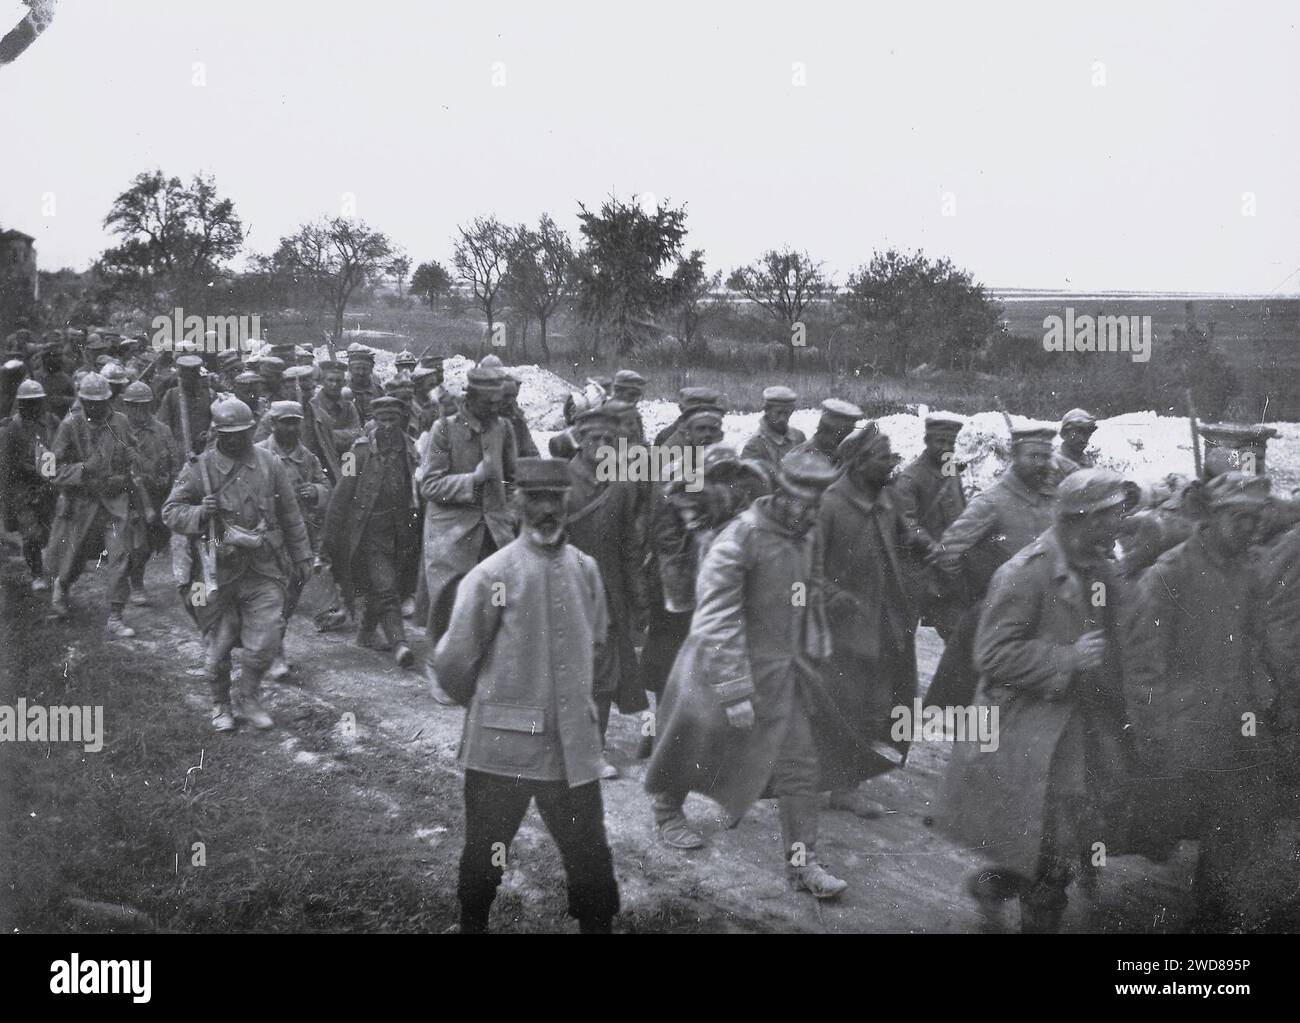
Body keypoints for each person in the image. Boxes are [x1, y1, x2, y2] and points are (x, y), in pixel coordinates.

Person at [645, 451, 849, 899]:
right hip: (719, 666)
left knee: (800, 766)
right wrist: (735, 691)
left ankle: (803, 864)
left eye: (818, 506)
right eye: (804, 505)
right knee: (695, 742)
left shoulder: (806, 534)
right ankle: (667, 810)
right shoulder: (740, 538)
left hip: (781, 671)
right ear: (781, 495)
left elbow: (808, 589)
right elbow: (716, 619)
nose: (813, 515)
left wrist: (815, 640)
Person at [940, 469, 1137, 933]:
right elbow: (990, 654)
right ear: (1081, 519)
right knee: (1053, 844)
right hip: (1030, 729)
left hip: (1078, 725)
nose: (1120, 524)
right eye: (1111, 515)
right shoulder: (1025, 573)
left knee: (1057, 835)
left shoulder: (1098, 566)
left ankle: (995, 884)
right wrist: (1066, 658)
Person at [433, 457, 619, 934]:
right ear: (516, 503)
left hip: (571, 747)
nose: (545, 510)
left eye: (554, 500)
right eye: (534, 499)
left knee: (589, 853)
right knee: (486, 848)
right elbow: (455, 661)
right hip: (503, 750)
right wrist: (494, 707)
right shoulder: (492, 575)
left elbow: (596, 641)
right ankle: (472, 922)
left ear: (567, 503)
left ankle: (596, 926)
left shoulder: (586, 569)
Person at [1126, 472, 1287, 931]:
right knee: (1204, 821)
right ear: (1214, 517)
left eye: (1257, 520)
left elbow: (1258, 644)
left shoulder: (1248, 571)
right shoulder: (1168, 575)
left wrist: (1262, 697)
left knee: (1240, 821)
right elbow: (1143, 668)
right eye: (1241, 519)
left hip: (1235, 723)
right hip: (1185, 728)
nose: (1252, 529)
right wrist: (1154, 733)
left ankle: (1212, 916)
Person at [162, 398, 312, 732]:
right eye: (228, 434)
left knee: (266, 639)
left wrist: (302, 555)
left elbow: (290, 514)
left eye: (242, 433)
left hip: (262, 568)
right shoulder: (198, 467)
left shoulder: (269, 464)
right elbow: (171, 512)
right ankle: (220, 705)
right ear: (216, 432)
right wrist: (201, 512)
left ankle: (249, 696)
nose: (236, 440)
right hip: (215, 572)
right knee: (218, 649)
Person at [815, 426, 924, 818]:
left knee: (869, 707)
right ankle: (820, 782)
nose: (892, 464)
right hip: (838, 631)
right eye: (885, 458)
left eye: (893, 457)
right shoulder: (828, 504)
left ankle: (845, 785)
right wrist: (833, 597)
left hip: (882, 625)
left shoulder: (886, 500)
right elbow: (806, 569)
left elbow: (901, 546)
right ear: (860, 463)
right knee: (836, 707)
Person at [926, 425, 1058, 707]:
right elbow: (949, 552)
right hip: (1000, 618)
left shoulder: (1052, 500)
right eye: (1034, 457)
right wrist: (976, 595)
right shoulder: (992, 501)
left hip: (1045, 618)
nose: (1042, 465)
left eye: (1046, 457)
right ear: (1014, 456)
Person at [418, 360, 517, 696]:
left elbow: (513, 478)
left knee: (496, 601)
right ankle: (438, 668)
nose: (495, 408)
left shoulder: (504, 427)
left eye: (499, 402)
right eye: (489, 402)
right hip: (452, 534)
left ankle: (482, 668)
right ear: (471, 397)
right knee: (448, 603)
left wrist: (512, 509)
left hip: (495, 529)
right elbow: (429, 485)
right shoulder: (444, 429)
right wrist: (471, 481)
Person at [563, 405, 650, 775]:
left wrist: (638, 597)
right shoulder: (560, 482)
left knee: (602, 676)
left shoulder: (624, 484)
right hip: (567, 592)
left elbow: (630, 548)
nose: (601, 445)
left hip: (609, 595)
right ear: (579, 440)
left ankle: (592, 751)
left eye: (608, 440)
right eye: (594, 438)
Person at [321, 396, 421, 669]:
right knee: (386, 585)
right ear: (373, 421)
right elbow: (340, 497)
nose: (388, 426)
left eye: (393, 420)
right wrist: (328, 543)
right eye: (382, 420)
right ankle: (400, 644)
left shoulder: (411, 450)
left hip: (402, 530)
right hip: (369, 530)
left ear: (402, 419)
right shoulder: (359, 453)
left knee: (395, 586)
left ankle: (366, 631)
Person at [44, 372, 138, 634]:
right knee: (72, 556)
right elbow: (50, 468)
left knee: (120, 555)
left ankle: (116, 616)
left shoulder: (121, 422)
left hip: (114, 502)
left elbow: (133, 457)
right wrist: (83, 469)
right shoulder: (69, 425)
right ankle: (61, 589)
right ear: (82, 400)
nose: (95, 407)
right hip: (81, 502)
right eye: (89, 402)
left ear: (109, 399)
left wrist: (124, 475)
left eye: (100, 402)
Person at [256, 400, 332, 679]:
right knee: (272, 594)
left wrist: (315, 491)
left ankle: (273, 642)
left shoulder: (307, 457)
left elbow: (325, 485)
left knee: (291, 593)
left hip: (299, 536)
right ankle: (274, 652)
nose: (291, 427)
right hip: (267, 536)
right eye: (285, 422)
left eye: (295, 421)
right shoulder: (259, 453)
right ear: (273, 424)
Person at [893, 414, 967, 638]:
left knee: (957, 638)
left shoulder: (950, 471)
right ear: (927, 440)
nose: (946, 448)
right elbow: (908, 523)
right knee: (903, 640)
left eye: (950, 443)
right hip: (920, 569)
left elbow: (962, 512)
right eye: (940, 441)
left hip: (949, 570)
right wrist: (935, 548)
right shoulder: (911, 477)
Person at [120, 381, 175, 608]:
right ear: (127, 407)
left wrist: (170, 479)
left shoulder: (162, 430)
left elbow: (174, 460)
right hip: (131, 495)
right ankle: (137, 584)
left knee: (157, 540)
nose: (139, 412)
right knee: (139, 544)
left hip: (159, 493)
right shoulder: (119, 431)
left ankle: (130, 572)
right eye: (134, 407)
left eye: (144, 406)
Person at [0, 378, 58, 590]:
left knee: (50, 531)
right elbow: (6, 468)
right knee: (31, 534)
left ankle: (49, 569)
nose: (33, 406)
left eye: (37, 401)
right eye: (29, 402)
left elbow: (57, 448)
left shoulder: (49, 423)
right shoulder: (10, 429)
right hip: (21, 490)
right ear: (21, 403)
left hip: (46, 485)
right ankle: (36, 574)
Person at [309, 359, 363, 484]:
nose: (334, 384)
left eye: (338, 381)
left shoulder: (348, 406)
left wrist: (329, 435)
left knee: (349, 482)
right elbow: (315, 439)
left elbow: (356, 434)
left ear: (344, 383)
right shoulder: (313, 405)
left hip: (346, 456)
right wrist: (343, 435)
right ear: (323, 381)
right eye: (330, 380)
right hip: (320, 459)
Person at [156, 355, 211, 457]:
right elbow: (162, 425)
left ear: (198, 375)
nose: (189, 380)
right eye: (185, 377)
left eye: (193, 376)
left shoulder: (210, 395)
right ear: (180, 376)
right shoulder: (172, 395)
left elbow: (217, 424)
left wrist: (208, 435)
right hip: (179, 452)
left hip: (205, 451)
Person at [741, 385, 805, 470]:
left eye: (786, 413)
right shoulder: (755, 445)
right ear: (766, 411)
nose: (782, 418)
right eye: (778, 413)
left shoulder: (799, 437)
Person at [790, 398, 863, 467]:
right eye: (846, 432)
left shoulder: (847, 455)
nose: (849, 438)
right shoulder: (803, 456)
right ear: (828, 430)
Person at [1050, 408, 1098, 483]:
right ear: (1065, 434)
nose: (1083, 439)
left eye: (1086, 433)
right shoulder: (1053, 462)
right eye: (1078, 432)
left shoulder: (1087, 463)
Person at [499, 372, 539, 456]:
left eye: (513, 396)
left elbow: (530, 450)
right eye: (506, 396)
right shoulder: (486, 416)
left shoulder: (517, 419)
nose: (509, 401)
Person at [610, 369, 647, 443]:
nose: (636, 399)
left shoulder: (633, 415)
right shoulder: (600, 413)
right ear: (617, 391)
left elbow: (642, 443)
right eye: (632, 394)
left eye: (638, 395)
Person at [345, 344, 378, 424]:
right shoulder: (341, 390)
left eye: (365, 369)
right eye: (357, 368)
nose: (361, 373)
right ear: (350, 368)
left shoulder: (378, 391)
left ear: (371, 369)